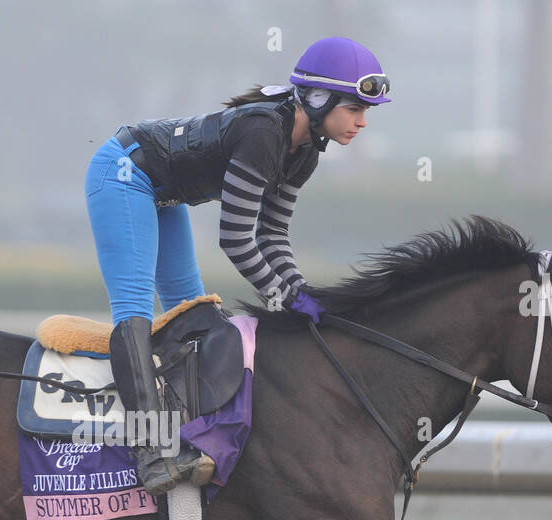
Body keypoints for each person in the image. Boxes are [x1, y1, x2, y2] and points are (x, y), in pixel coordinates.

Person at [84, 36, 391, 495]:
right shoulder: (265, 133)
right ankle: (149, 448)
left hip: (166, 193)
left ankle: (192, 432)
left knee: (193, 311)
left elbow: (271, 235)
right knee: (135, 306)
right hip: (125, 173)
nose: (363, 122)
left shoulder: (306, 149)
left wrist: (301, 291)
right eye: (355, 109)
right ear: (320, 98)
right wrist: (283, 296)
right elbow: (234, 239)